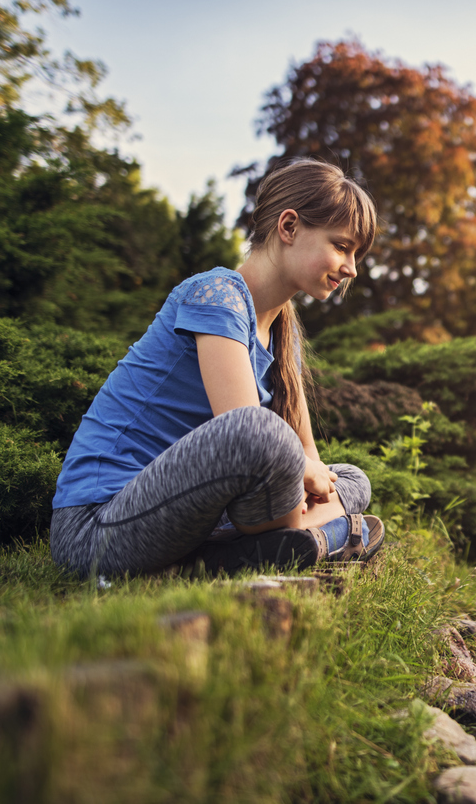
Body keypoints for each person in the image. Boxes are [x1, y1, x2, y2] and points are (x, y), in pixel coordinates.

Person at [50, 159, 381, 578]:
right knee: (261, 433)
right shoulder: (216, 295)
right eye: (342, 246)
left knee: (353, 479)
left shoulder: (283, 334)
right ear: (289, 227)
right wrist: (301, 476)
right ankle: (320, 537)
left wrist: (306, 475)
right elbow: (247, 433)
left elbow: (305, 457)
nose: (351, 267)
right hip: (99, 528)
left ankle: (238, 551)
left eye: (356, 254)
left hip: (194, 513)